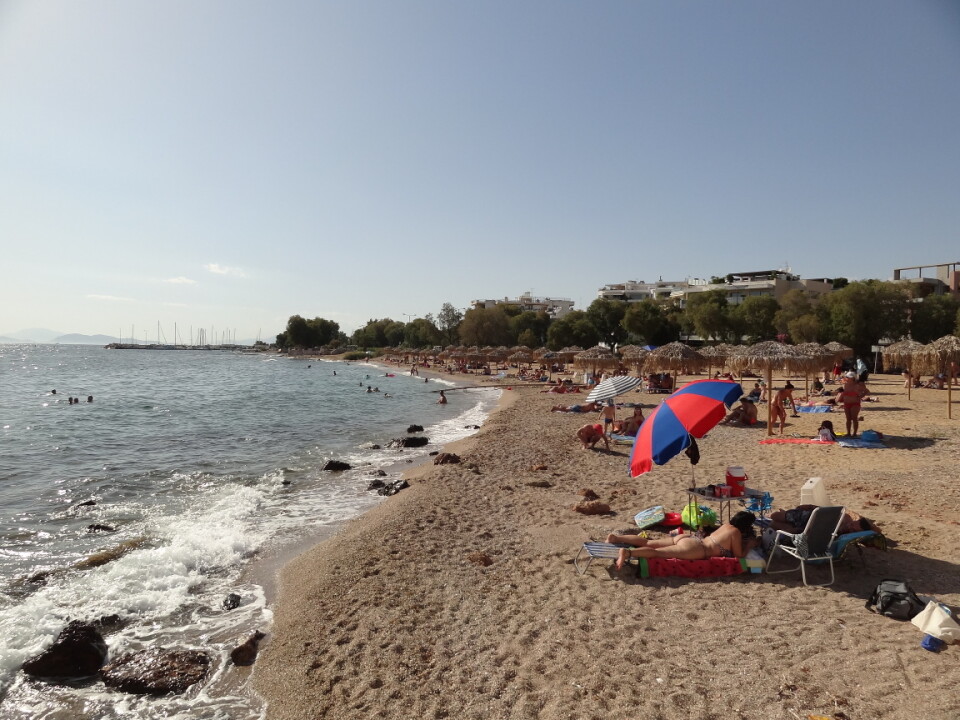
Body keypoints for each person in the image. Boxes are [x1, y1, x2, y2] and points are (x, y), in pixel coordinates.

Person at [610, 511, 758, 568]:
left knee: (649, 542)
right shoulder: (736, 532)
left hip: (689, 538)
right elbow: (739, 555)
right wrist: (749, 545)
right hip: (697, 549)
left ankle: (616, 537)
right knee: (659, 553)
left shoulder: (727, 525)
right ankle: (628, 553)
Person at [837, 372, 864, 437]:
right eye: (846, 377)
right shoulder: (845, 385)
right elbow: (842, 393)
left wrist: (860, 396)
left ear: (852, 378)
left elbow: (866, 391)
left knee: (854, 418)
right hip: (846, 403)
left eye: (848, 377)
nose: (846, 378)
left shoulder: (857, 385)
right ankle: (848, 433)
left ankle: (854, 433)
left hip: (855, 403)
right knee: (848, 419)